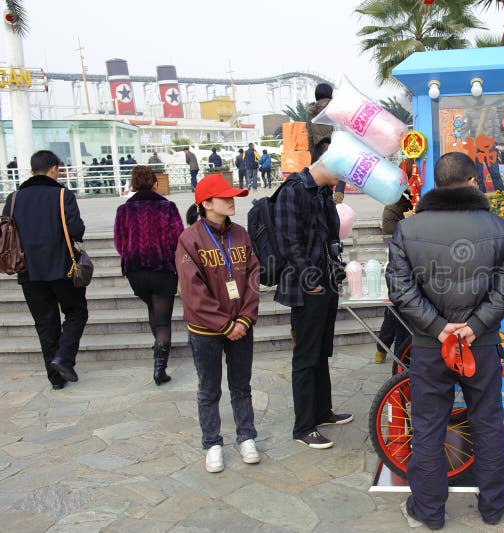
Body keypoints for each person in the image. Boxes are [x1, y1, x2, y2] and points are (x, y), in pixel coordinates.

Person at [387, 151, 504, 529]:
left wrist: (437, 327)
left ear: (437, 182)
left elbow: (400, 289)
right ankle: (494, 506)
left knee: (429, 426)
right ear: (472, 180)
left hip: (432, 349)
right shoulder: (497, 226)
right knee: (488, 422)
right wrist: (475, 326)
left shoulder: (409, 229)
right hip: (480, 344)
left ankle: (429, 512)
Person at [177, 173, 261, 473]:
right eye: (225, 197)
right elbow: (192, 290)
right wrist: (226, 324)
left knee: (241, 386)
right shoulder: (190, 239)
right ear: (206, 203)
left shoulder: (241, 234)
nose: (231, 201)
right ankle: (212, 443)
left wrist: (245, 318)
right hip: (206, 331)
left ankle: (246, 436)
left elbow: (253, 276)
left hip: (241, 325)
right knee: (209, 389)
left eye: (232, 196)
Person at [273, 138, 353, 449]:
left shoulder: (322, 194)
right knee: (306, 356)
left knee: (322, 351)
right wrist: (311, 279)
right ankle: (304, 426)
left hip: (326, 283)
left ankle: (323, 411)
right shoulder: (293, 191)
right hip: (306, 288)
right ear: (327, 161)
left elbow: (330, 235)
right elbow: (288, 243)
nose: (344, 175)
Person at [2, 150, 88, 389]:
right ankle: (63, 358)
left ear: (32, 171)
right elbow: (75, 230)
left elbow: (7, 231)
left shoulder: (14, 198)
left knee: (44, 323)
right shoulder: (62, 195)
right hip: (62, 268)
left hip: (28, 271)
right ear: (53, 169)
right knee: (76, 312)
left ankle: (55, 378)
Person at [114, 166, 184, 385]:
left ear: (133, 185)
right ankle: (159, 368)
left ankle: (158, 350)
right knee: (163, 320)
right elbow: (178, 238)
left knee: (152, 309)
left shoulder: (123, 210)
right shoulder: (167, 207)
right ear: (155, 183)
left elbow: (119, 242)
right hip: (163, 269)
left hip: (136, 271)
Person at [374, 188, 413, 364]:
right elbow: (390, 232)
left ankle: (382, 350)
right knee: (397, 314)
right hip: (398, 266)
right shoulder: (393, 207)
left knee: (394, 313)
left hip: (407, 266)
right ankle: (395, 358)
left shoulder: (409, 201)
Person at [307, 83, 345, 203]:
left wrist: (313, 153)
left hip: (319, 149)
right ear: (330, 93)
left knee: (323, 180)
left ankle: (326, 201)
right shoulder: (336, 108)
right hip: (335, 146)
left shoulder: (311, 112)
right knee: (342, 171)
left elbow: (310, 135)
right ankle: (338, 196)